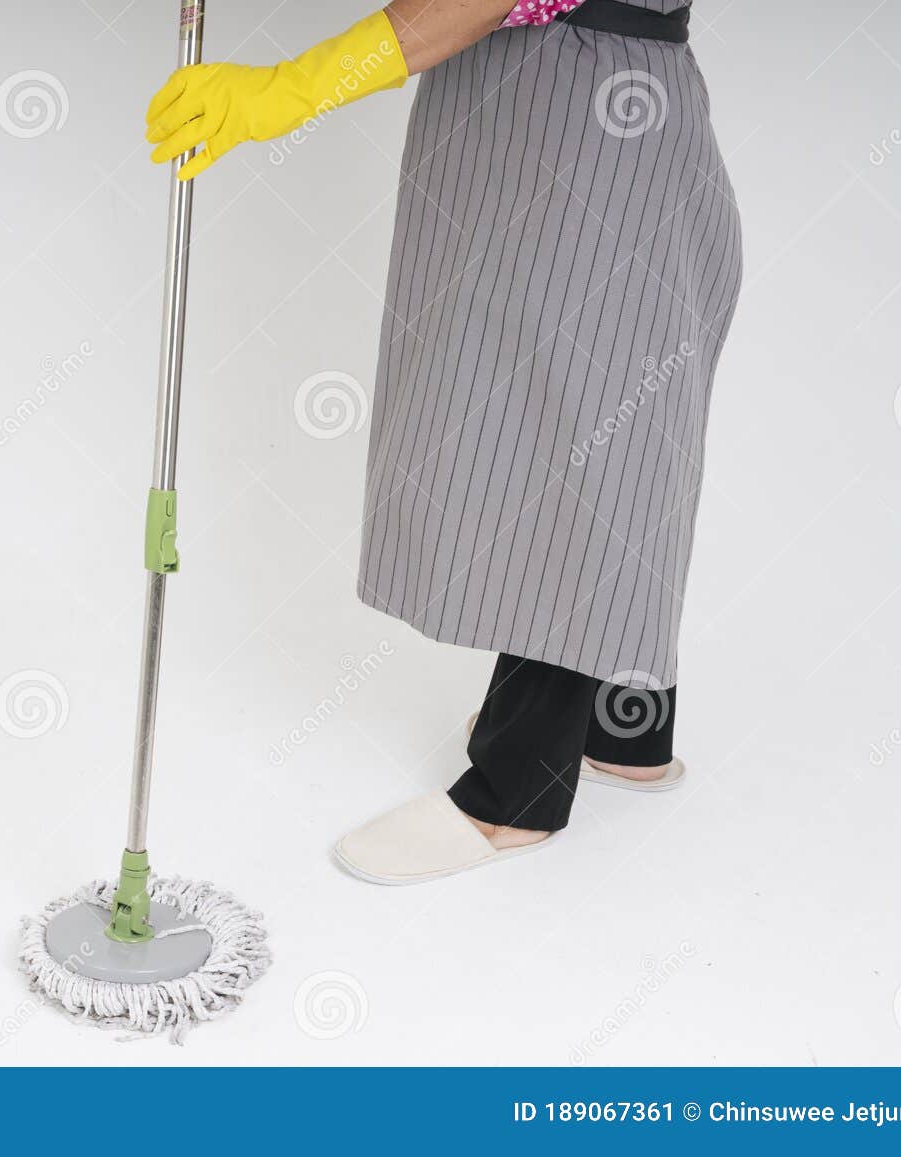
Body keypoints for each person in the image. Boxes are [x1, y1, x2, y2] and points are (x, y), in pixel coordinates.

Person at [145, 0, 742, 883]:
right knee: (612, 425)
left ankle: (516, 790)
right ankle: (626, 726)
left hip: (579, 129)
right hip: (585, 108)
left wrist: (290, 88)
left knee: (567, 438)